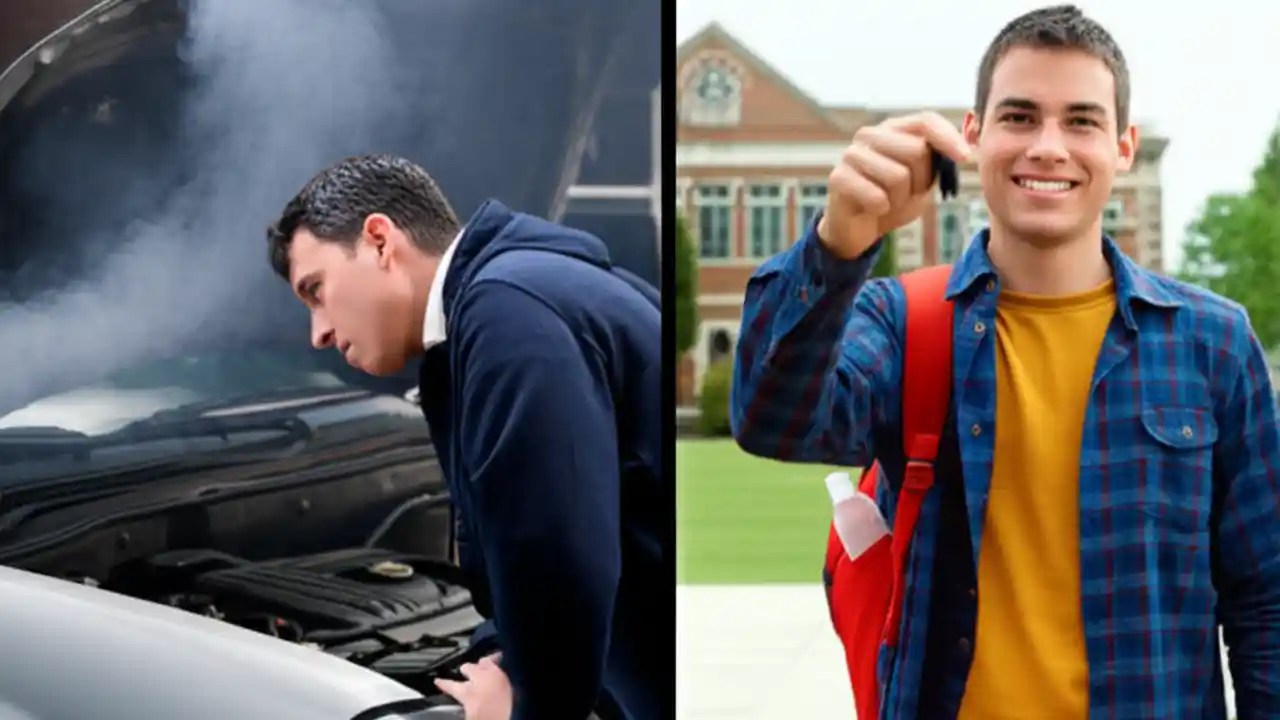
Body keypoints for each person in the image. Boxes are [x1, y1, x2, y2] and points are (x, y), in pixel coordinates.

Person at [731, 5, 1279, 719]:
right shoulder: (902, 324)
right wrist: (837, 244)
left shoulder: (1213, 342)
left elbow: (1264, 601)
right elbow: (774, 422)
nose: (1048, 146)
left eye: (1081, 121)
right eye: (1019, 116)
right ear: (972, 135)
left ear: (1122, 146)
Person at [266, 154, 667, 720]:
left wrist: (527, 708)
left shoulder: (508, 312)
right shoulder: (527, 290)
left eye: (316, 290)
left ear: (380, 241)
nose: (319, 333)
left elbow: (557, 550)